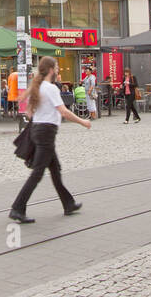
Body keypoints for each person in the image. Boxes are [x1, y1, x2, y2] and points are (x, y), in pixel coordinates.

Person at [9, 55, 91, 224]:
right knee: (37, 172)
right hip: (46, 131)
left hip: (38, 130)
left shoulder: (37, 87)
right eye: (58, 67)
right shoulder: (50, 88)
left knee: (55, 169)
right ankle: (17, 208)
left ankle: (68, 204)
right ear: (52, 70)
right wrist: (83, 122)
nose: (59, 70)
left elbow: (28, 113)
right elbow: (64, 111)